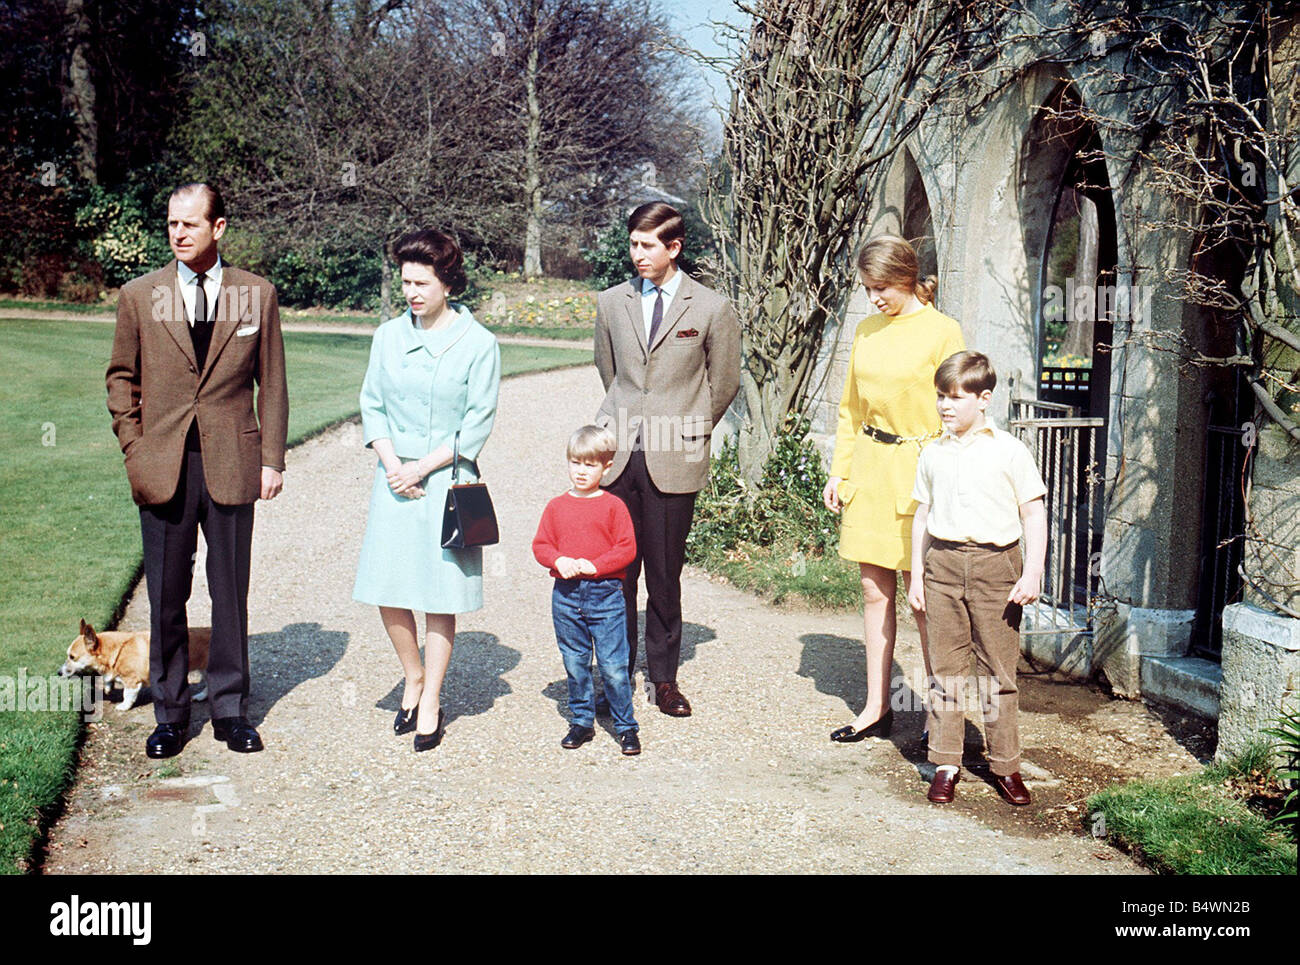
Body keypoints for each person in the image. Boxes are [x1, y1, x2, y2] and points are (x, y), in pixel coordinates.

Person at [106, 182, 288, 759]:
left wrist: (271, 459)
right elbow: (120, 379)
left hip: (232, 460)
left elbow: (273, 384)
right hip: (163, 465)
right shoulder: (141, 295)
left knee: (230, 592)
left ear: (219, 228)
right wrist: (134, 448)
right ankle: (170, 713)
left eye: (189, 224)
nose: (178, 234)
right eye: (171, 225)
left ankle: (231, 710)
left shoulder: (256, 295)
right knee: (166, 595)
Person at [352, 228, 501, 752]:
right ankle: (411, 675)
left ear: (447, 282)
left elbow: (476, 422)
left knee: (439, 593)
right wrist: (394, 463)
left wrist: (422, 468)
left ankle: (432, 697)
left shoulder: (479, 343)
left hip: (445, 482)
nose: (412, 292)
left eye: (421, 282)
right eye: (405, 282)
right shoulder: (387, 335)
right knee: (388, 588)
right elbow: (372, 404)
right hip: (394, 479)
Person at [594, 201, 741, 718]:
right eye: (633, 244)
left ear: (673, 247)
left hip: (674, 457)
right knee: (615, 573)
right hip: (618, 458)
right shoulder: (612, 302)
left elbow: (723, 382)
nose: (637, 254)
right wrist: (622, 422)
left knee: (663, 573)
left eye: (647, 245)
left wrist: (690, 430)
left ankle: (664, 680)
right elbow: (607, 369)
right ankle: (613, 678)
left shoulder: (711, 308)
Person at [821, 235, 964, 742]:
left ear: (907, 278)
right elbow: (850, 409)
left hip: (921, 473)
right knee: (872, 590)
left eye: (880, 287)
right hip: (870, 468)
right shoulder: (865, 330)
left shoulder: (944, 331)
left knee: (922, 598)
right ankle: (877, 706)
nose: (874, 297)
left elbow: (959, 410)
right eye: (867, 288)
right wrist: (840, 472)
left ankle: (940, 716)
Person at [907, 351, 1047, 805]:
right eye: (940, 398)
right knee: (945, 672)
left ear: (984, 399)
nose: (946, 406)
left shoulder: (1009, 450)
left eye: (956, 398)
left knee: (998, 673)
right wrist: (915, 576)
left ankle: (1005, 765)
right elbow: (922, 515)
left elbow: (1034, 512)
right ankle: (946, 762)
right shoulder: (932, 452)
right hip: (942, 567)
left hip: (996, 568)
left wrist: (1033, 571)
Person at [532, 425, 641, 755]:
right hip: (566, 595)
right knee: (575, 662)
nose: (581, 471)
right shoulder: (556, 506)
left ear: (606, 467)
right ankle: (582, 720)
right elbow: (541, 545)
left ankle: (626, 726)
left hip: (605, 594)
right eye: (575, 463)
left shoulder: (613, 506)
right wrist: (558, 559)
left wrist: (597, 565)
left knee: (613, 666)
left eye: (590, 465)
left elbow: (626, 549)